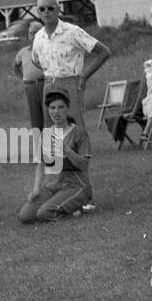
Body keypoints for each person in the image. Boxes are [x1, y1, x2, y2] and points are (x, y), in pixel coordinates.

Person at [29, 0, 112, 129]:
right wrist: (50, 70)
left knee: (75, 123)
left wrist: (84, 76)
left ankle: (82, 151)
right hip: (49, 83)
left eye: (50, 8)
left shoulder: (73, 31)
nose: (46, 12)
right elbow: (35, 60)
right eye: (42, 9)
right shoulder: (38, 37)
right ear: (38, 12)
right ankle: (54, 151)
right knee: (51, 125)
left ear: (58, 9)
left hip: (71, 82)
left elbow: (105, 52)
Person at [18, 91, 94, 222]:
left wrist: (66, 150)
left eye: (61, 107)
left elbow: (83, 165)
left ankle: (75, 208)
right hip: (53, 184)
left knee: (44, 214)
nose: (56, 111)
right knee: (25, 216)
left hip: (76, 185)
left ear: (67, 109)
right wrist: (36, 189)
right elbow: (41, 165)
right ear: (48, 110)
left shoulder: (79, 133)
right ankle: (66, 206)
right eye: (52, 108)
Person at [13, 20, 46, 132]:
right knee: (35, 117)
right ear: (28, 35)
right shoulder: (23, 52)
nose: (34, 35)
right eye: (31, 33)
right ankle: (39, 146)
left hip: (45, 84)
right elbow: (15, 66)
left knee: (47, 116)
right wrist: (22, 78)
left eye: (37, 32)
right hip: (30, 87)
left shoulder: (47, 49)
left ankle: (51, 146)